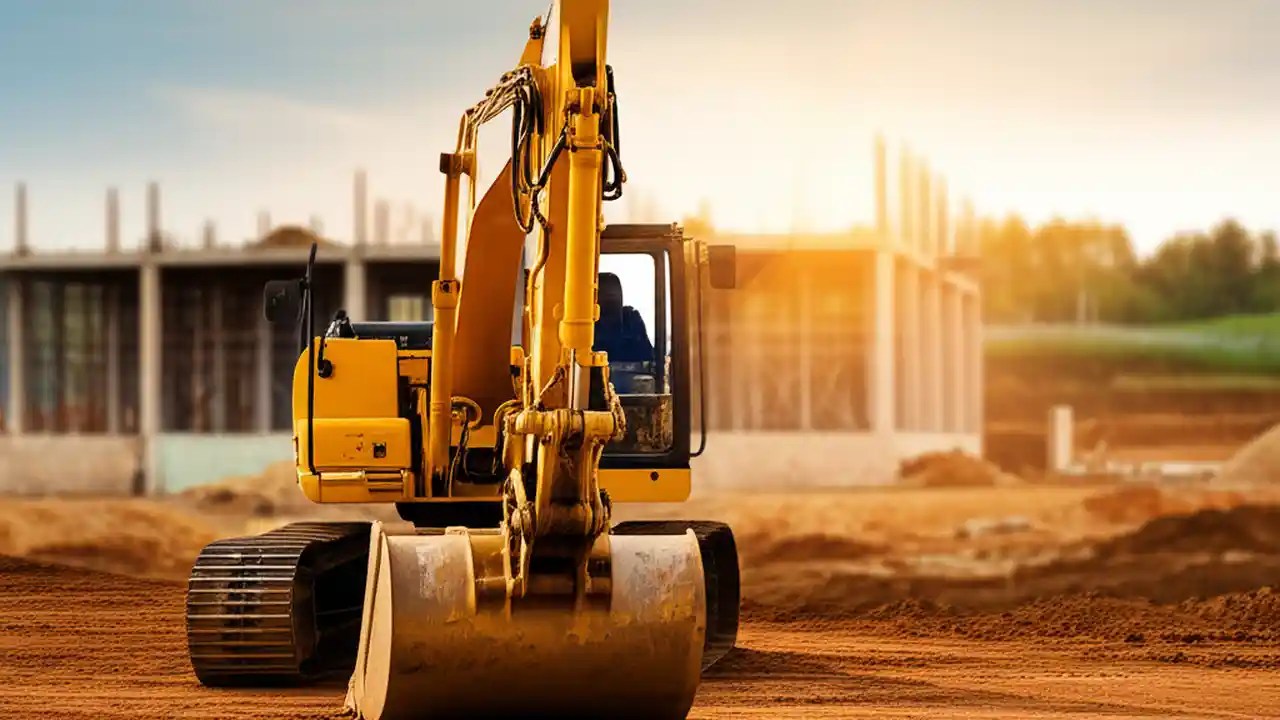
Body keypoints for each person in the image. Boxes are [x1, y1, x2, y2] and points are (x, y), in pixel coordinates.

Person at [594, 272, 653, 363]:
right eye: (605, 295)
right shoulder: (585, 324)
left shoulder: (631, 320)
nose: (610, 299)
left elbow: (648, 362)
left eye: (614, 295)